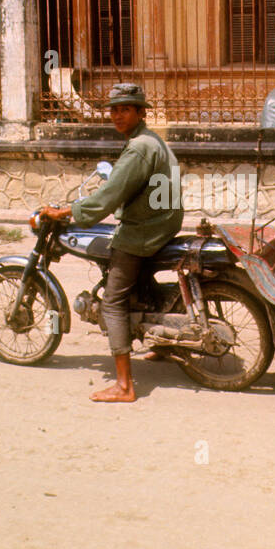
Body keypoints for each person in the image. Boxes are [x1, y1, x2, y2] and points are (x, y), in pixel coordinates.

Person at [39, 84, 184, 403]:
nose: (118, 115)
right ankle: (162, 343)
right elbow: (126, 184)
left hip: (145, 229)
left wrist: (69, 210)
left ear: (140, 112)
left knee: (113, 300)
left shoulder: (138, 148)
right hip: (163, 221)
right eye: (114, 109)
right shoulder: (149, 141)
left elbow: (110, 196)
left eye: (126, 109)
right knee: (136, 283)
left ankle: (124, 386)